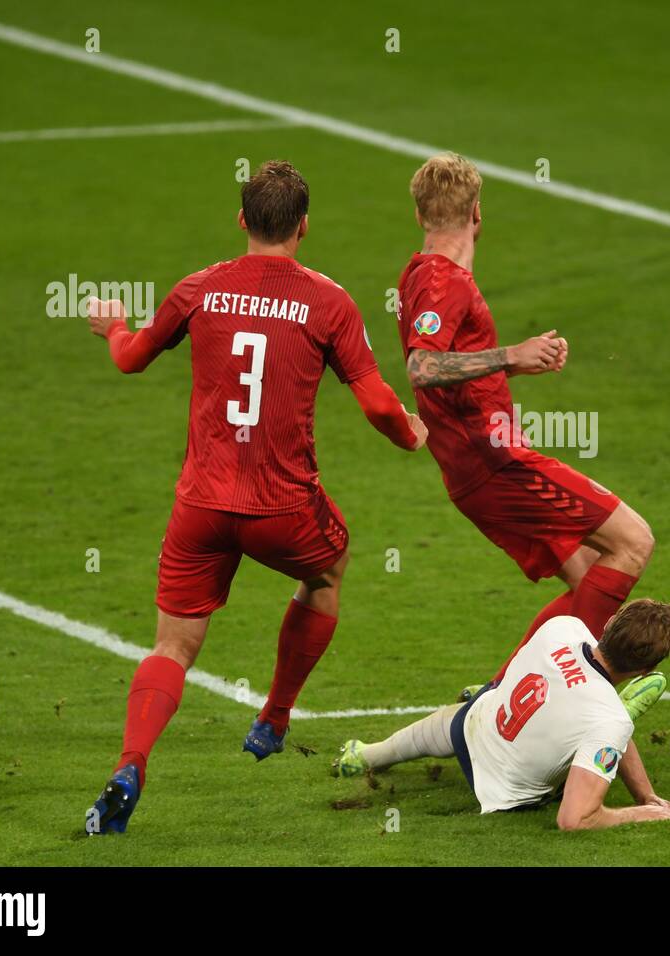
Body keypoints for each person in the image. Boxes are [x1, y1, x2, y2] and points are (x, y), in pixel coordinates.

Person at [82, 160, 426, 834]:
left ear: (242, 220)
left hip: (202, 507)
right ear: (304, 226)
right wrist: (411, 435)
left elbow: (130, 358)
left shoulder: (200, 287)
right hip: (283, 510)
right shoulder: (328, 301)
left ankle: (130, 766)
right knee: (327, 572)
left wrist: (115, 326)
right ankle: (273, 717)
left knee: (171, 647)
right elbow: (378, 402)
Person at [395, 152, 654, 682]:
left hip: (477, 468)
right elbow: (422, 367)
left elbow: (450, 374)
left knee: (588, 580)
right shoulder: (446, 281)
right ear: (477, 214)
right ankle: (558, 694)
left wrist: (511, 371)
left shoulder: (421, 275)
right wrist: (511, 355)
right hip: (497, 466)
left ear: (421, 215)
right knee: (633, 541)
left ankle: (502, 695)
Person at [333, 599, 670, 830]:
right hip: (507, 792)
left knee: (469, 710)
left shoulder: (563, 626)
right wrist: (644, 810)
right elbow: (574, 819)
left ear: (610, 622)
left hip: (474, 724)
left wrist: (645, 792)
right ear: (647, 670)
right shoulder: (607, 719)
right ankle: (621, 710)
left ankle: (366, 754)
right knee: (602, 727)